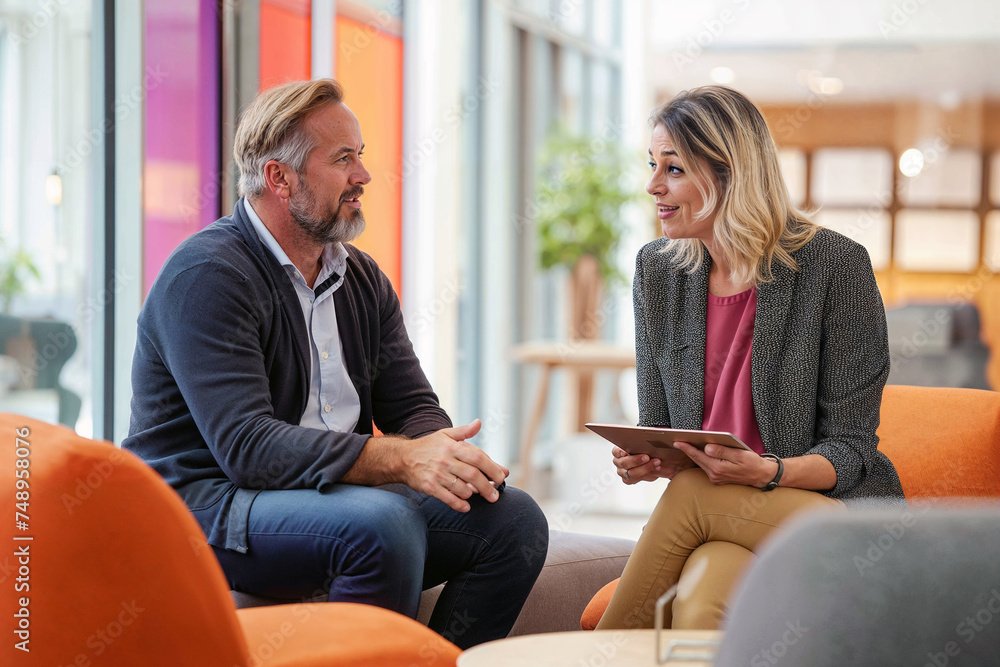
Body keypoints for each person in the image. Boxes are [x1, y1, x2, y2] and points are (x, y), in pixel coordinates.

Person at [123, 78, 548, 649]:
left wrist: (445, 458)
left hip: (321, 495)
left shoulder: (361, 277)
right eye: (343, 159)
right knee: (382, 527)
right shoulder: (208, 276)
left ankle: (433, 664)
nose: (364, 176)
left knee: (512, 518)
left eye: (361, 156)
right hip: (209, 505)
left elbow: (412, 406)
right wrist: (399, 460)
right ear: (280, 177)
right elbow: (248, 449)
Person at [595, 85, 905, 631]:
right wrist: (651, 458)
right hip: (723, 518)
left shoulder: (834, 267)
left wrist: (768, 471)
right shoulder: (659, 271)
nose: (652, 186)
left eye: (673, 169)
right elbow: (663, 428)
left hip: (832, 517)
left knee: (692, 495)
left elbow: (852, 450)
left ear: (728, 174)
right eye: (652, 165)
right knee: (698, 607)